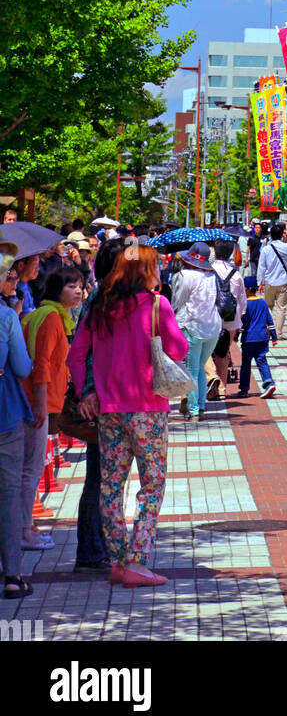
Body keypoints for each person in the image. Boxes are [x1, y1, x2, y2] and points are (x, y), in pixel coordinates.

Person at [69, 245, 188, 588]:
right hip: (148, 411)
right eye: (155, 267)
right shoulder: (156, 305)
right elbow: (178, 349)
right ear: (145, 271)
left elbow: (77, 356)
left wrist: (85, 392)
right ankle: (137, 559)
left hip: (109, 410)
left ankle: (119, 559)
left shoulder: (100, 308)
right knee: (152, 486)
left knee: (110, 486)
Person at [20, 267, 83, 553]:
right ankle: (23, 530)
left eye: (80, 285)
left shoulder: (52, 316)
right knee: (30, 468)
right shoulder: (51, 318)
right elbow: (41, 362)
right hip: (36, 402)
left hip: (36, 400)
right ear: (57, 290)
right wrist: (41, 403)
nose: (78, 291)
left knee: (30, 467)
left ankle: (25, 527)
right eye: (71, 286)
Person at [70, 239, 123, 574]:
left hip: (112, 400)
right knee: (99, 478)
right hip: (102, 403)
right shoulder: (101, 301)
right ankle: (91, 550)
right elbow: (81, 353)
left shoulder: (108, 299)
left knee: (104, 477)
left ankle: (98, 547)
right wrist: (87, 391)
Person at [0, 251, 34, 599]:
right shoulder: (6, 318)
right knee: (8, 494)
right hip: (4, 413)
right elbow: (23, 368)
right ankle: (12, 574)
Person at [170, 244, 221, 422]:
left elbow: (177, 302)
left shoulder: (184, 276)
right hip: (213, 327)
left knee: (192, 369)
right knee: (199, 367)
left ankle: (193, 411)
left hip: (193, 327)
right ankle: (200, 407)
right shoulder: (213, 276)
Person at [205, 241, 246, 401]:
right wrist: (241, 315)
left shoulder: (208, 271)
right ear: (230, 254)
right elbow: (242, 300)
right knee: (223, 353)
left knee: (205, 351)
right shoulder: (236, 274)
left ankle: (211, 376)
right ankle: (222, 390)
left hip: (210, 315)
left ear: (214, 253)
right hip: (230, 317)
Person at [238, 276, 277, 399]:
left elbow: (243, 323)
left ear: (246, 289)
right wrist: (274, 337)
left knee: (246, 364)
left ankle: (244, 389)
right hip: (262, 338)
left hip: (249, 338)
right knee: (262, 360)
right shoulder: (263, 303)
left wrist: (237, 335)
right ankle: (269, 383)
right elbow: (269, 321)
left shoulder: (246, 304)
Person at [256, 223, 287, 341]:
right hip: (282, 281)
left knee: (268, 306)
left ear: (271, 235)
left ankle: (268, 330)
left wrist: (259, 282)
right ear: (281, 235)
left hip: (269, 281)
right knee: (281, 308)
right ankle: (278, 333)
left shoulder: (266, 249)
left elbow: (261, 267)